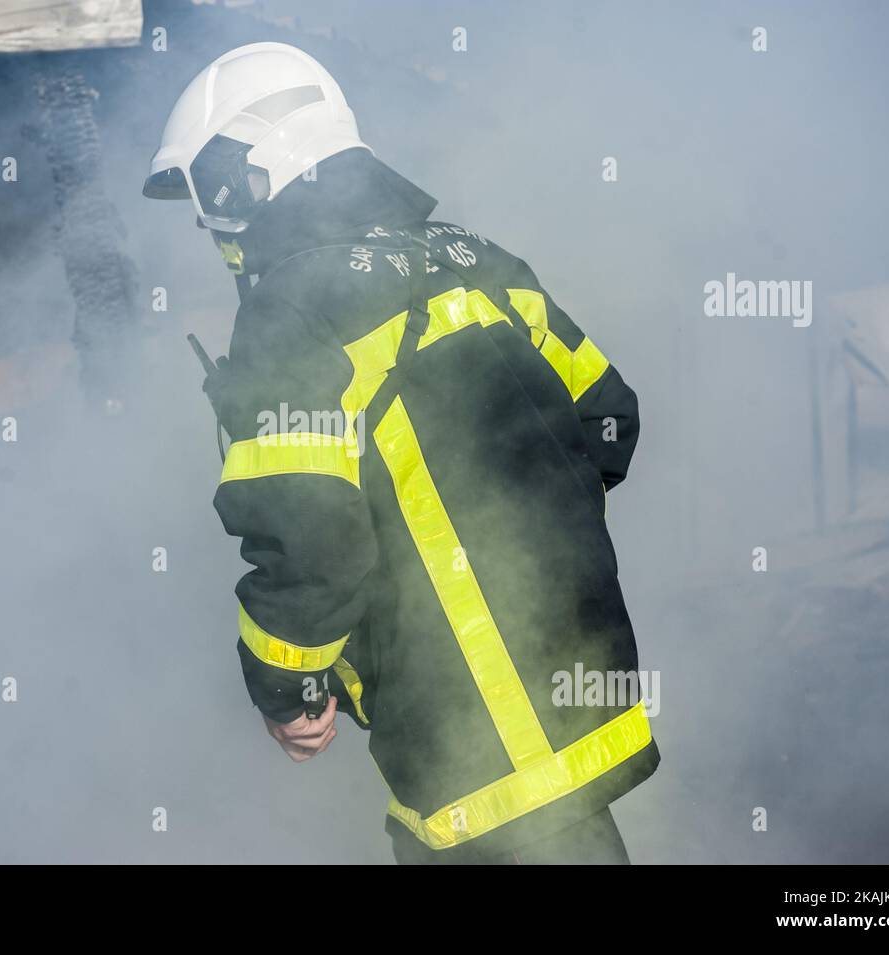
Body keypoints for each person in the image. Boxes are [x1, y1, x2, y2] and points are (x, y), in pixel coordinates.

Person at [144, 42, 658, 864]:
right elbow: (609, 420)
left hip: (474, 750)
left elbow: (313, 542)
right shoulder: (475, 258)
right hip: (577, 701)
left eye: (214, 200)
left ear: (253, 173)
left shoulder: (290, 313)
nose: (215, 231)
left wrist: (288, 686)